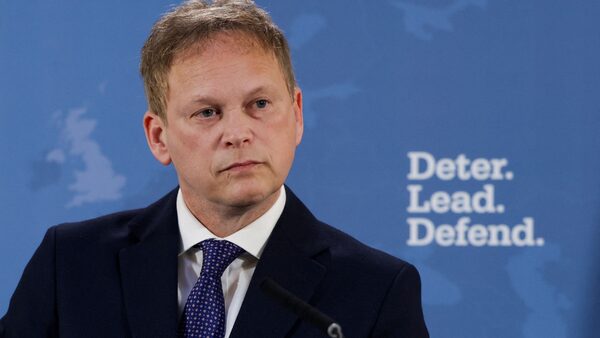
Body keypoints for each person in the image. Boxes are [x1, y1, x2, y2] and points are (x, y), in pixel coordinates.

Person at [0, 1, 429, 337]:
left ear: (296, 114)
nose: (238, 133)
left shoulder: (375, 292)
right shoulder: (71, 265)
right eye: (207, 112)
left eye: (259, 104)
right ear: (158, 136)